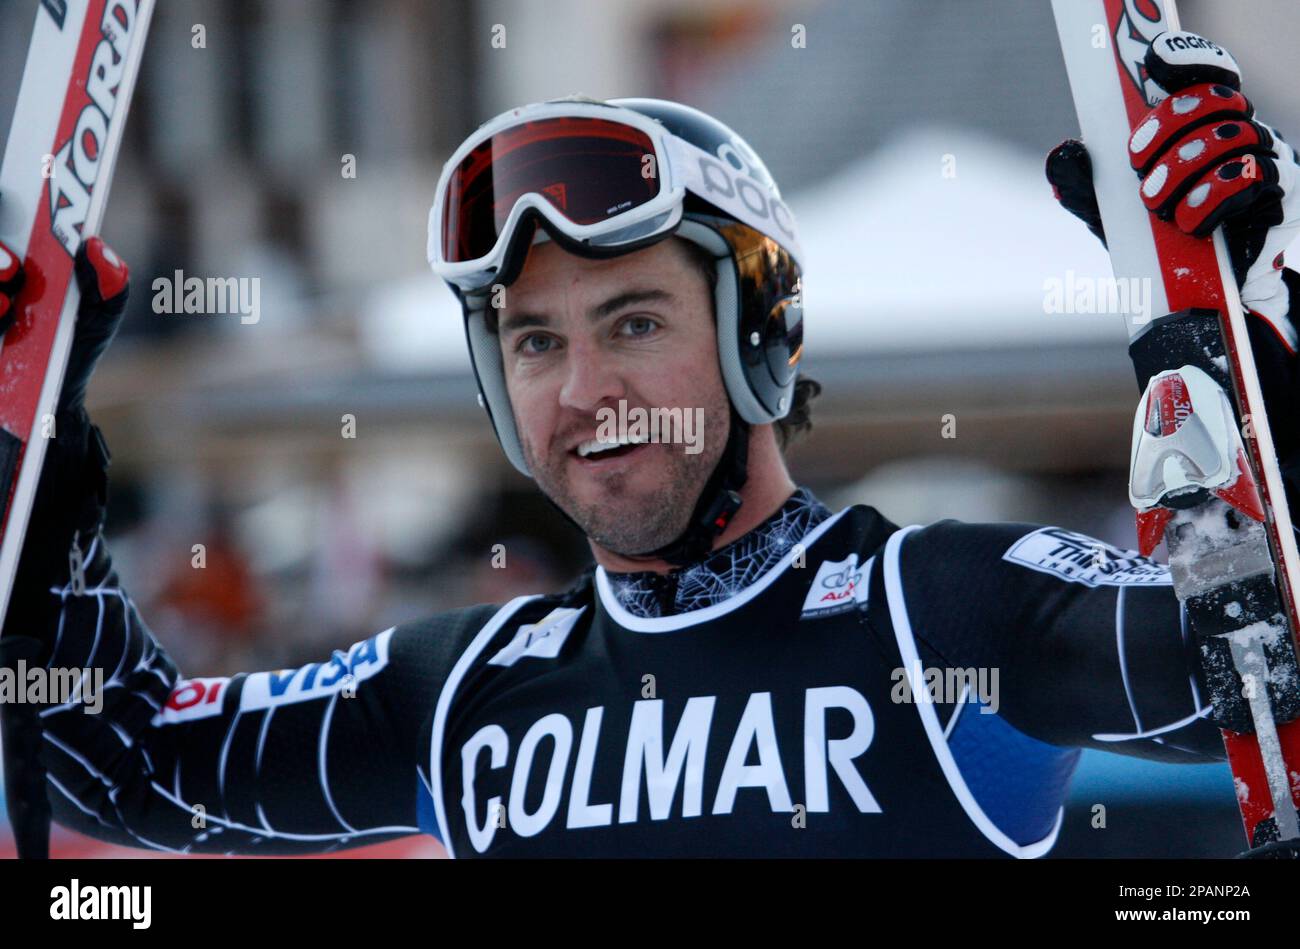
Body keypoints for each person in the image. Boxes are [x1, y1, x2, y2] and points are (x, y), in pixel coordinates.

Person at [2, 33, 1299, 858]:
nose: (583, 388)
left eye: (632, 321)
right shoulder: (464, 693)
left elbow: (1256, 653)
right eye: (533, 342)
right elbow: (136, 763)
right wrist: (38, 458)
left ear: (760, 339)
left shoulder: (941, 617)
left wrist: (1269, 329)